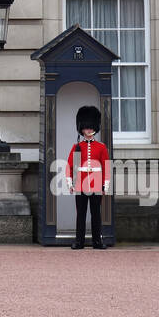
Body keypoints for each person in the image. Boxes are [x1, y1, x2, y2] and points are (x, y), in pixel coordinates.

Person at [64, 105, 111, 249]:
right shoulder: (77, 146)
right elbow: (69, 166)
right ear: (82, 128)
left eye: (90, 127)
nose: (88, 130)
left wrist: (105, 186)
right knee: (81, 214)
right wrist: (70, 184)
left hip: (96, 184)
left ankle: (97, 241)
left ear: (94, 128)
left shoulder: (101, 147)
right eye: (86, 128)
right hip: (81, 184)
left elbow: (106, 167)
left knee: (96, 214)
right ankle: (79, 242)